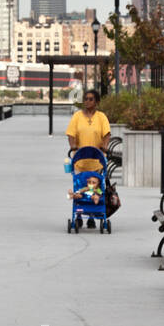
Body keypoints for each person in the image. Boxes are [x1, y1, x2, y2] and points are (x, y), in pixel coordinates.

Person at [65, 88, 110, 228]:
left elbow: (106, 134)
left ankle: (92, 216)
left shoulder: (101, 117)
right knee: (81, 189)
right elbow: (71, 134)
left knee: (94, 190)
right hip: (80, 162)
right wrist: (73, 147)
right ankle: (78, 215)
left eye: (90, 99)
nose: (87, 101)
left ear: (96, 102)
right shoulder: (77, 116)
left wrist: (104, 145)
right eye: (85, 99)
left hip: (96, 162)